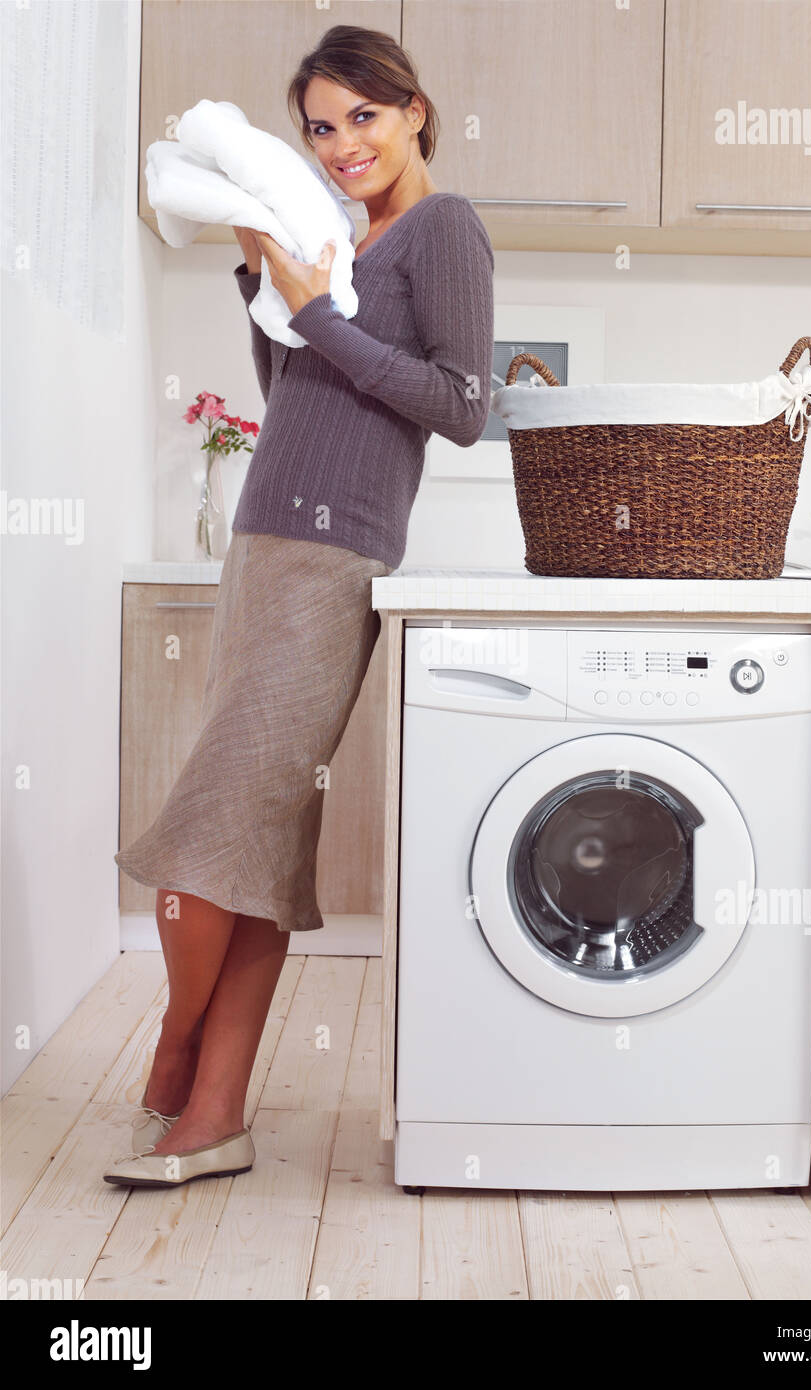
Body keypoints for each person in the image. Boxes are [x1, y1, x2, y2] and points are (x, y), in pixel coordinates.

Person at [105, 24, 494, 1187]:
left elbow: (462, 404)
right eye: (319, 127)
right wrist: (268, 288)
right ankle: (214, 1110)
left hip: (334, 565)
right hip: (265, 543)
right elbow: (299, 392)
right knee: (260, 840)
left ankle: (176, 1047)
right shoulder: (333, 234)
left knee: (212, 827)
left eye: (362, 118)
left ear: (415, 112)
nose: (339, 145)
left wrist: (321, 309)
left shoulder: (444, 229)